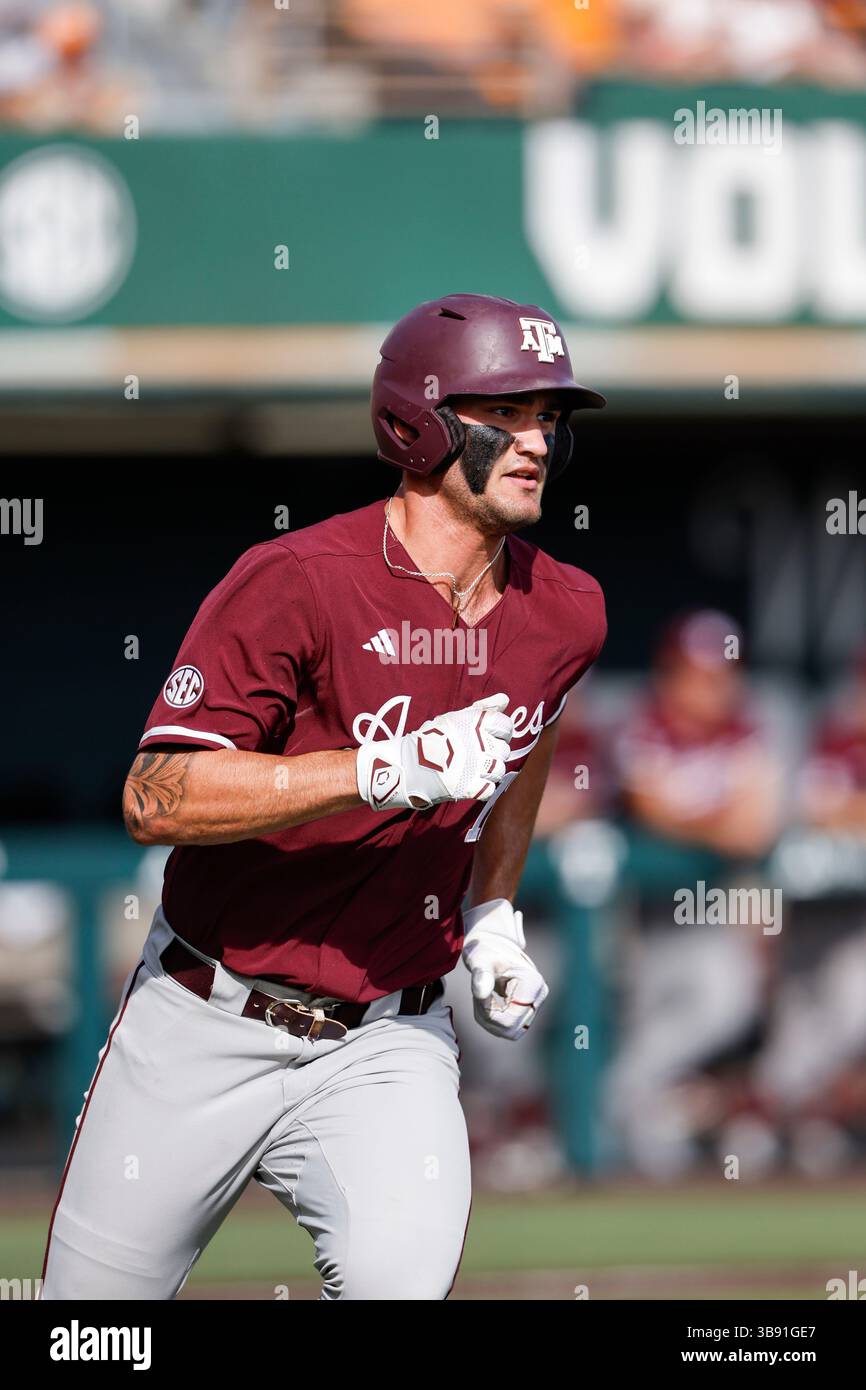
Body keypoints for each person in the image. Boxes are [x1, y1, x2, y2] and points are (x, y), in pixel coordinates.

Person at [40, 292, 607, 1300]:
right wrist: (375, 768)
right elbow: (156, 794)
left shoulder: (565, 609)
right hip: (203, 1014)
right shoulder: (294, 578)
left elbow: (531, 731)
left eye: (549, 420)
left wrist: (491, 908)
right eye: (506, 414)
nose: (535, 442)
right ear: (418, 423)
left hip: (390, 1034)